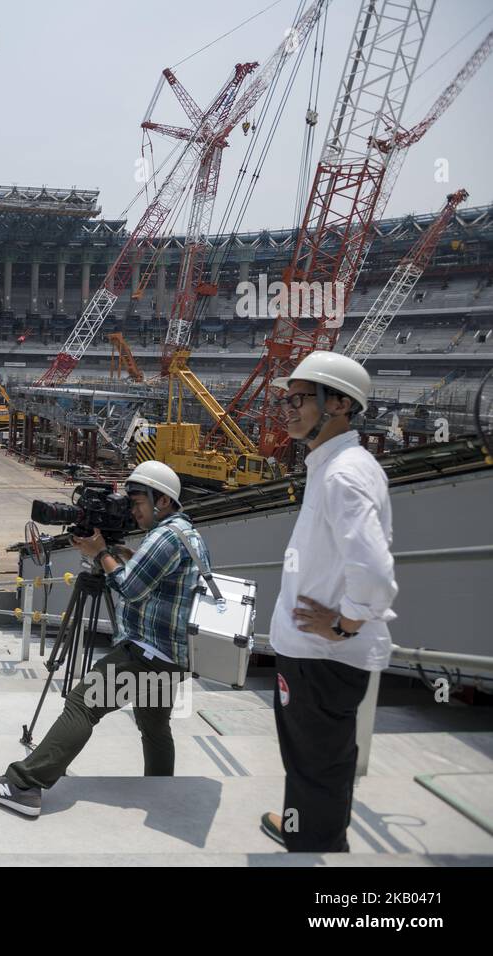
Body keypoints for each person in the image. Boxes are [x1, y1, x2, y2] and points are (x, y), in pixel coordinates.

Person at [0, 461, 206, 818]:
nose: (132, 510)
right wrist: (122, 557)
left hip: (145, 652)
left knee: (83, 704)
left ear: (162, 500)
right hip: (171, 655)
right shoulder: (188, 534)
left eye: (138, 502)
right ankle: (163, 792)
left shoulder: (165, 536)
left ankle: (23, 786)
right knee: (155, 726)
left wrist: (100, 553)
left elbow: (129, 588)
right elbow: (158, 584)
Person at [258, 351, 397, 853]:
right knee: (309, 759)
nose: (288, 410)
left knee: (318, 763)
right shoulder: (335, 465)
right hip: (314, 655)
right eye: (287, 401)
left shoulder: (342, 475)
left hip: (322, 659)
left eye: (299, 399)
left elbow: (376, 574)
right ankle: (302, 825)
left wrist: (342, 626)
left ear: (338, 403)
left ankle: (316, 844)